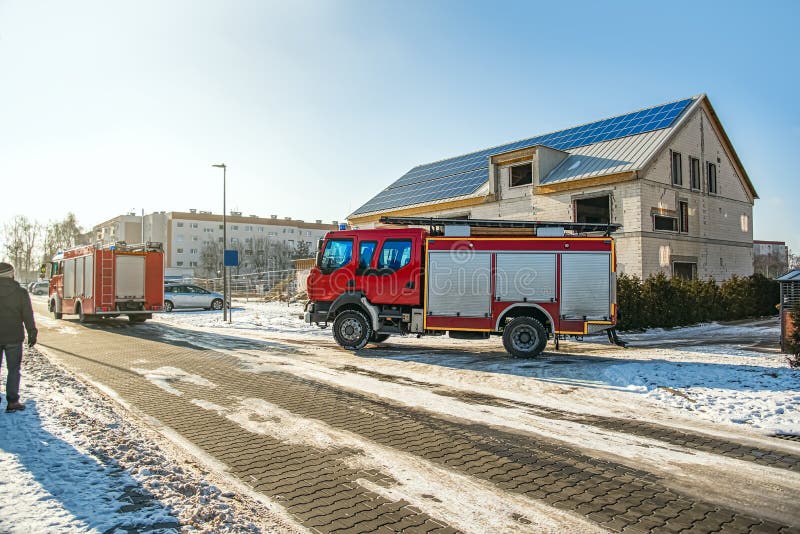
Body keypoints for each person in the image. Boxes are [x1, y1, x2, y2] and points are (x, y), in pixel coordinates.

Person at [0, 262, 37, 412]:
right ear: (10, 274)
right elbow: (27, 314)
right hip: (14, 337)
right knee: (14, 369)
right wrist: (32, 332)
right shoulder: (20, 292)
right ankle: (13, 402)